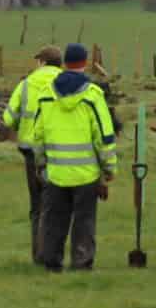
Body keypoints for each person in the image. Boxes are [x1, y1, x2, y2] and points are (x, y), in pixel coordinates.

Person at [33, 43, 117, 273]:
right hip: (86, 174)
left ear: (64, 63)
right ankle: (81, 263)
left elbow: (37, 135)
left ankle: (51, 262)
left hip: (56, 172)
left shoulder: (46, 95)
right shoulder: (92, 96)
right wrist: (109, 168)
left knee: (54, 221)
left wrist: (41, 165)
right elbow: (104, 136)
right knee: (84, 222)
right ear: (84, 63)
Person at [0, 45, 62, 263]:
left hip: (31, 153)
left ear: (43, 62)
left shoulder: (26, 85)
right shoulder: (66, 83)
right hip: (60, 152)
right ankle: (55, 253)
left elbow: (8, 119)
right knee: (57, 205)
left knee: (37, 206)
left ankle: (38, 254)